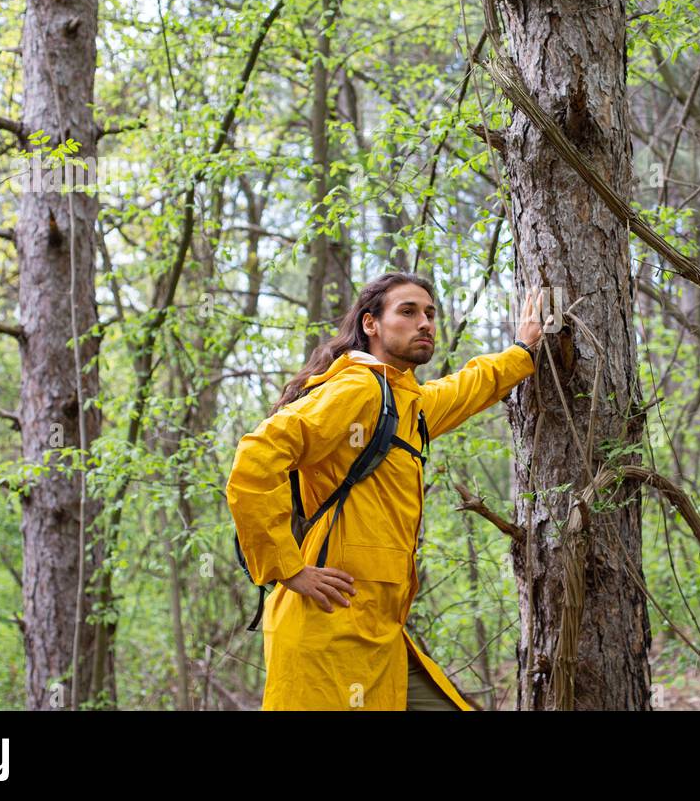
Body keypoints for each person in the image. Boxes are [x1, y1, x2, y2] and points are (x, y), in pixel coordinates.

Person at [227, 272, 551, 710]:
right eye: (408, 311)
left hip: (378, 634)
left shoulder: (403, 405)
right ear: (370, 325)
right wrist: (287, 568)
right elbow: (256, 456)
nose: (425, 323)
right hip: (326, 637)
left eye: (431, 314)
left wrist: (522, 352)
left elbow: (465, 389)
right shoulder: (358, 388)